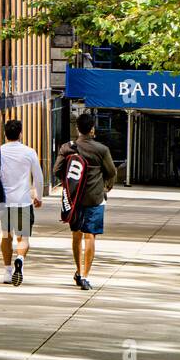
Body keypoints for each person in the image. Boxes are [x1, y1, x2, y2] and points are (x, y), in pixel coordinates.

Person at [52, 112, 118, 290]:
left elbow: (56, 170)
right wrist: (106, 188)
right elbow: (111, 172)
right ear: (92, 129)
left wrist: (69, 182)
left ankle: (78, 270)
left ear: (77, 129)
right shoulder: (101, 149)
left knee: (76, 235)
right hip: (95, 198)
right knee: (90, 236)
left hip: (74, 199)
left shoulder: (67, 147)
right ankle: (85, 276)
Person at [0, 118, 45, 286]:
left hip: (4, 202)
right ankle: (20, 259)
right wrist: (39, 196)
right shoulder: (29, 152)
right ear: (20, 134)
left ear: (5, 134)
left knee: (6, 236)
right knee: (23, 237)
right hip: (23, 201)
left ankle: (8, 271)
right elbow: (38, 177)